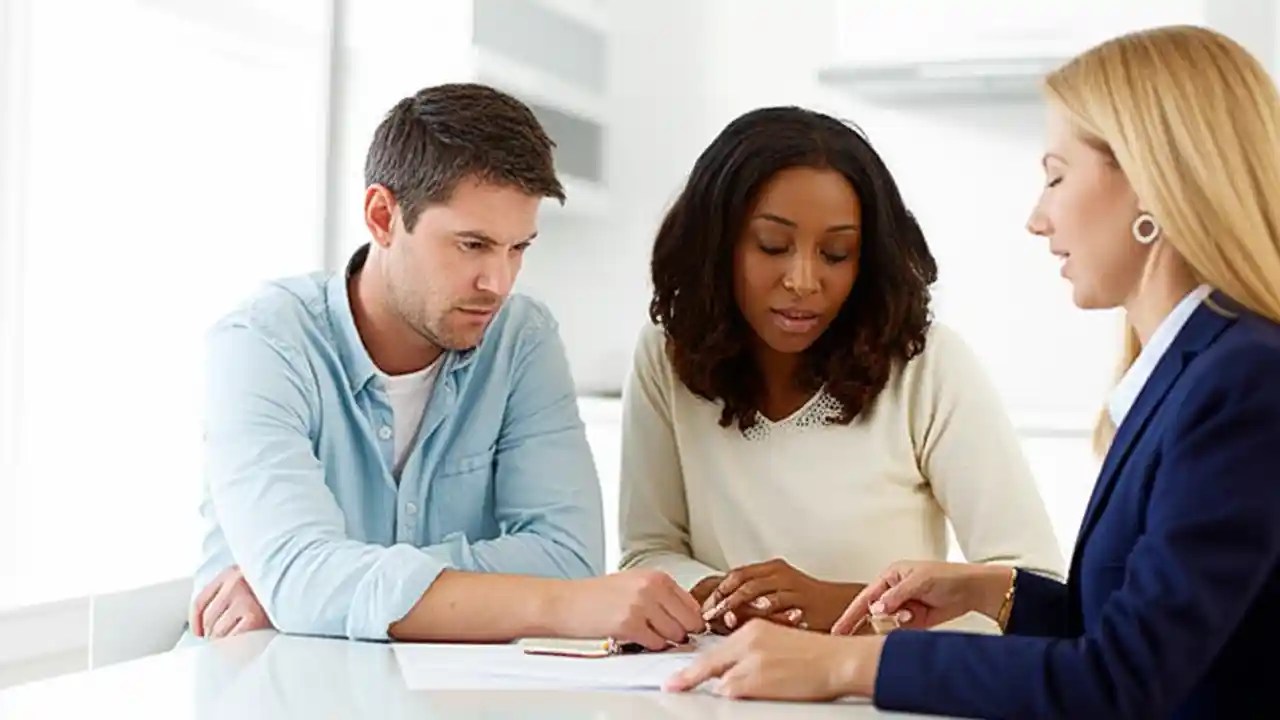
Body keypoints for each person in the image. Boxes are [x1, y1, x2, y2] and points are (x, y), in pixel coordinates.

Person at [666, 25, 1280, 719]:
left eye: (1055, 175)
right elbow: (1120, 629)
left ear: (1148, 182)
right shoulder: (1194, 372)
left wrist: (845, 660)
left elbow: (1123, 679)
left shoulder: (1243, 382)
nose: (1037, 218)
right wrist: (996, 592)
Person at [187, 83, 704, 650]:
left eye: (518, 248)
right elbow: (306, 581)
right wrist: (308, 584)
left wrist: (328, 587)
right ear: (383, 216)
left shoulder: (521, 340)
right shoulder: (263, 343)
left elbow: (567, 555)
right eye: (472, 245)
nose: (499, 283)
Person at [619, 105, 1063, 634]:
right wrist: (732, 597)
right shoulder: (667, 356)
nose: (804, 280)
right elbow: (648, 553)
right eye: (772, 246)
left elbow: (1036, 594)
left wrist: (843, 607)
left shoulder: (928, 368)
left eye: (836, 253)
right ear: (717, 245)